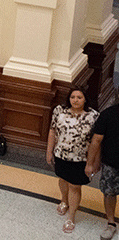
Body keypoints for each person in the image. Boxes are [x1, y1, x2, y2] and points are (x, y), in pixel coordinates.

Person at [44, 87, 99, 233]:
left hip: (80, 158)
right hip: (61, 155)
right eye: (73, 97)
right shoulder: (59, 111)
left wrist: (93, 162)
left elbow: (96, 141)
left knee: (74, 186)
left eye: (79, 97)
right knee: (62, 179)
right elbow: (52, 130)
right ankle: (64, 200)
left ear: (85, 99)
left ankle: (72, 216)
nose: (75, 100)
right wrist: (49, 151)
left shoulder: (93, 116)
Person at [86, 100, 119, 239]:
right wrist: (90, 163)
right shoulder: (108, 114)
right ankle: (111, 223)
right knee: (109, 193)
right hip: (111, 163)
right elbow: (96, 140)